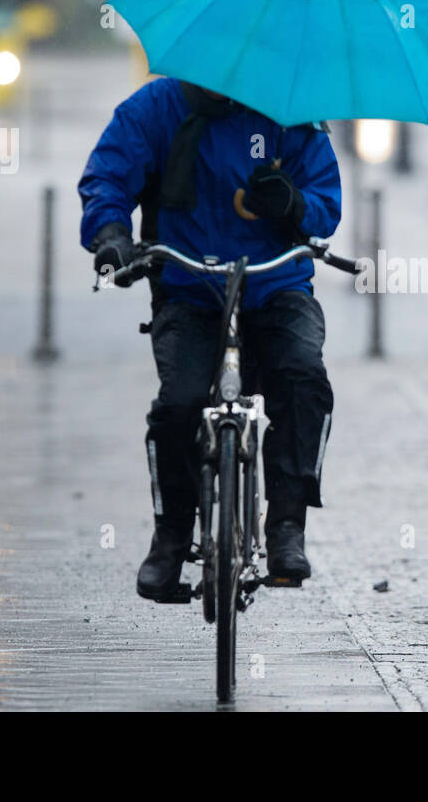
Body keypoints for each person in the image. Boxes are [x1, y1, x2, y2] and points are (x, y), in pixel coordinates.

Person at [79, 77, 341, 601]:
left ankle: (287, 523)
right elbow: (106, 177)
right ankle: (171, 533)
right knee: (178, 406)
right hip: (188, 287)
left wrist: (293, 204)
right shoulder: (155, 109)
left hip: (274, 284)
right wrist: (111, 236)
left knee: (303, 379)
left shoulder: (291, 114)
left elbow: (325, 203)